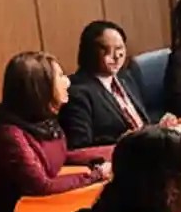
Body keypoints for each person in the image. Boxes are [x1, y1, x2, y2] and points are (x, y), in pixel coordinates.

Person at [0, 52, 112, 212]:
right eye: (61, 77)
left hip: (44, 210)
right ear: (40, 88)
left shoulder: (43, 120)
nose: (68, 82)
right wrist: (96, 175)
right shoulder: (9, 133)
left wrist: (120, 149)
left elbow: (63, 156)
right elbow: (41, 185)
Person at [60, 20, 174, 148]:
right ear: (89, 52)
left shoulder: (125, 78)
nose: (116, 56)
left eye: (120, 48)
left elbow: (140, 122)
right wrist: (126, 140)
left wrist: (158, 127)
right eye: (106, 50)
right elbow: (80, 145)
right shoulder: (77, 92)